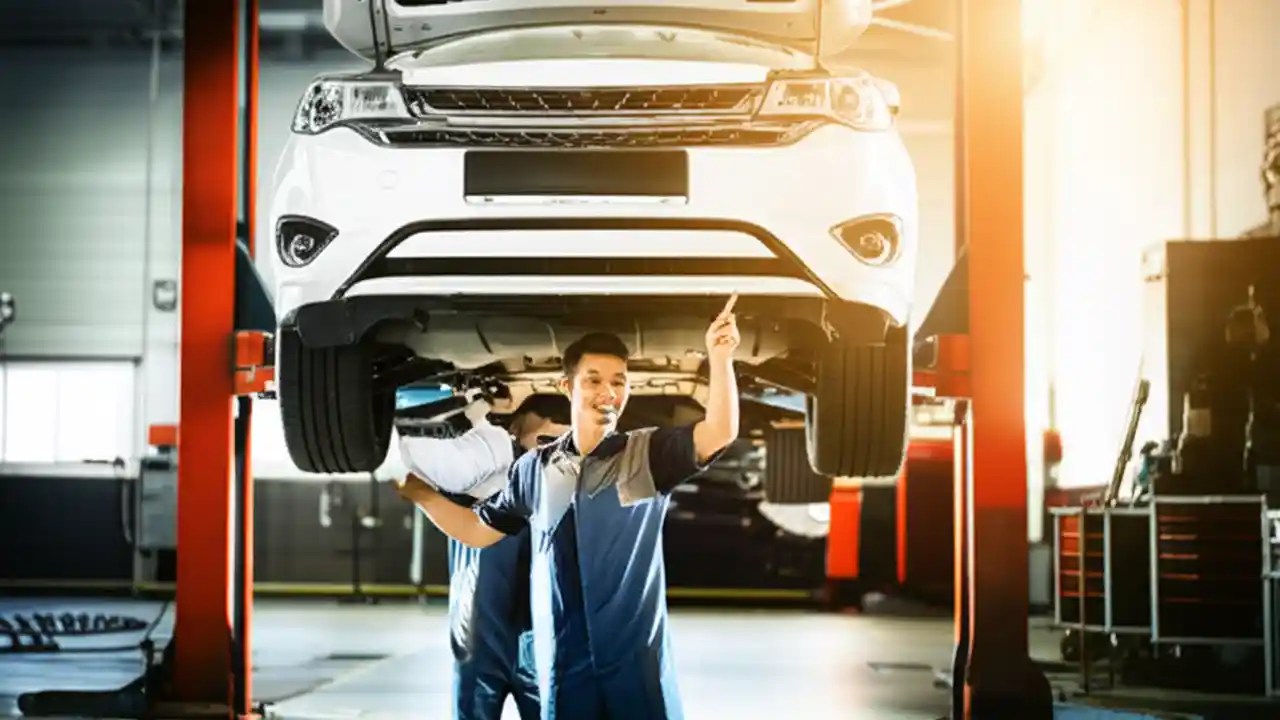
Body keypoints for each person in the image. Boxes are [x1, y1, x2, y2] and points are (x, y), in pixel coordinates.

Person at [398, 296, 741, 719]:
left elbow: (719, 432)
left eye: (619, 381)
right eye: (594, 380)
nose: (608, 392)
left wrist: (721, 357)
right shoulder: (534, 470)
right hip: (564, 669)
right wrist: (421, 494)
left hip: (635, 667)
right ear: (568, 387)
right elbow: (477, 531)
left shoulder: (648, 455)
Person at [396, 391, 569, 720]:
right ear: (516, 428)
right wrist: (421, 492)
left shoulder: (563, 488)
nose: (550, 453)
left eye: (561, 444)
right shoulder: (482, 469)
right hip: (480, 640)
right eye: (544, 439)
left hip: (537, 643)